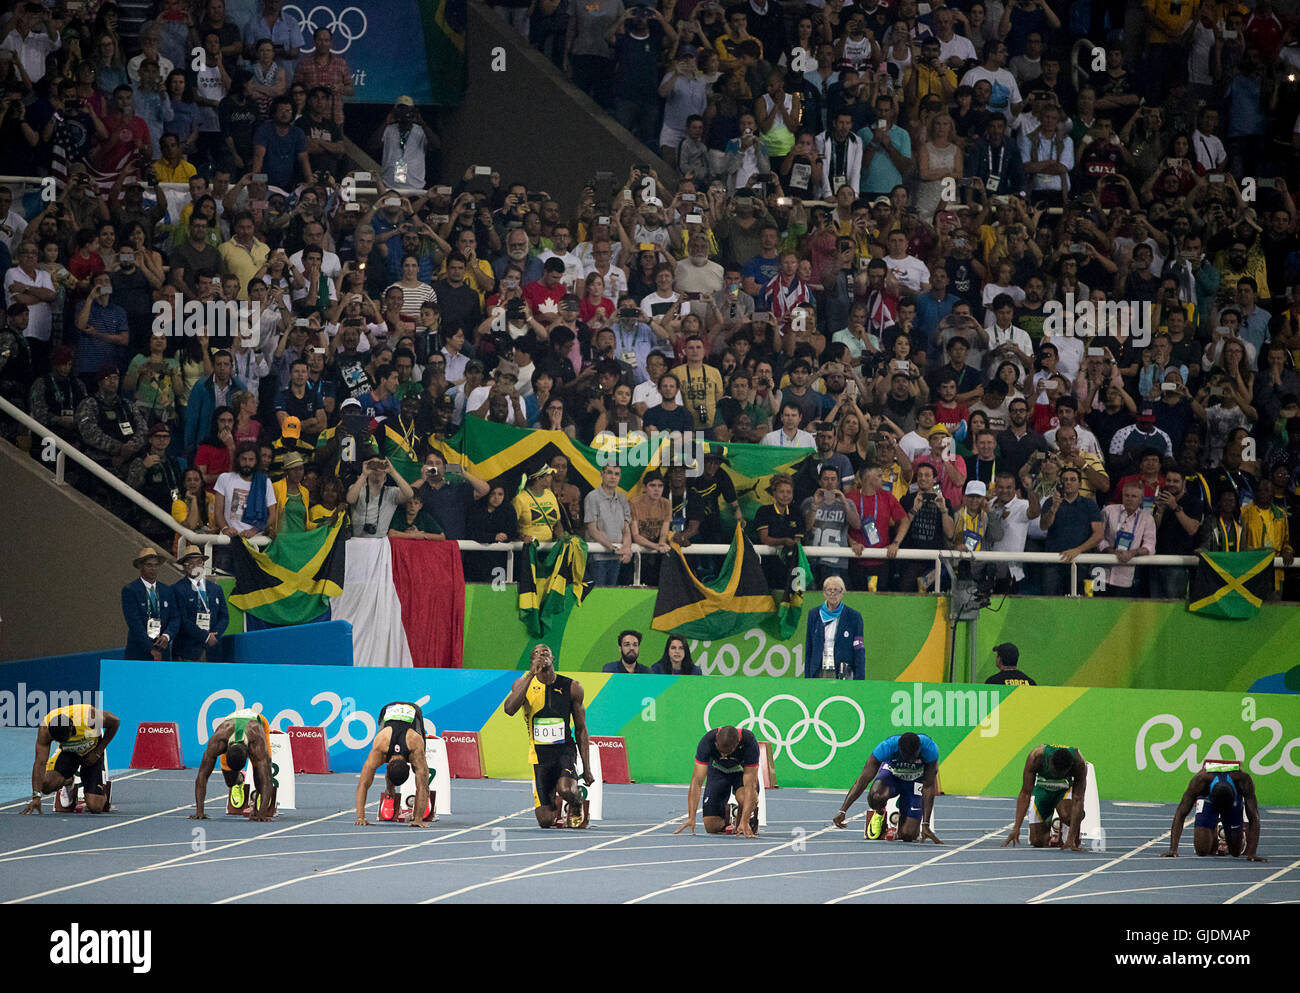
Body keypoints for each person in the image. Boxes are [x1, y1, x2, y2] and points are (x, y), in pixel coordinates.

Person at [502, 645, 595, 829]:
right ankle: (557, 804)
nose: (541, 656)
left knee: (566, 789)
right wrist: (530, 675)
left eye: (545, 653)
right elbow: (509, 709)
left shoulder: (573, 687)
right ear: (531, 662)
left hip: (564, 752)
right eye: (536, 654)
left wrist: (587, 766)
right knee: (545, 821)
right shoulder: (523, 685)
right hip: (539, 756)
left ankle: (575, 802)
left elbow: (581, 730)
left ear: (553, 659)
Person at [832, 731, 942, 843]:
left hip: (915, 782)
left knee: (908, 835)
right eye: (907, 757)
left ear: (919, 749)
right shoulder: (886, 747)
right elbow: (862, 781)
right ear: (899, 749)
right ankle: (879, 812)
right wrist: (843, 810)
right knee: (876, 795)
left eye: (913, 757)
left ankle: (905, 803)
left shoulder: (930, 749)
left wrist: (926, 824)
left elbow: (928, 787)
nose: (910, 761)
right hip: (892, 777)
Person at [21, 705, 120, 816]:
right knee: (46, 785)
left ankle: (99, 787)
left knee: (95, 807)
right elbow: (40, 763)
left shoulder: (90, 717)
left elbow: (115, 722)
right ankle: (69, 782)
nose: (63, 741)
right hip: (69, 752)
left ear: (71, 727)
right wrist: (36, 796)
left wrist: (98, 752)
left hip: (92, 749)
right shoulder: (45, 729)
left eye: (65, 738)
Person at [1162, 759, 1266, 861]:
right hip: (1208, 800)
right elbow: (1180, 813)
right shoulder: (1200, 781)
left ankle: (1236, 835)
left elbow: (1254, 817)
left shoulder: (1243, 780)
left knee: (1235, 852)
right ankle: (1214, 833)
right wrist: (1173, 850)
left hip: (1232, 803)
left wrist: (1252, 853)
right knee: (1202, 851)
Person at [354, 701, 432, 827]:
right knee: (422, 776)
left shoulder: (415, 745)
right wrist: (418, 820)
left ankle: (417, 802)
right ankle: (390, 791)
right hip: (388, 711)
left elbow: (363, 784)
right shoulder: (380, 747)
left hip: (413, 713)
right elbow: (423, 786)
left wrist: (361, 817)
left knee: (421, 772)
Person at [189, 708, 275, 821]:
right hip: (231, 724)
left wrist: (261, 814)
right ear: (225, 751)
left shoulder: (256, 742)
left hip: (257, 722)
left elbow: (267, 779)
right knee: (230, 781)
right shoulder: (218, 742)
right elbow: (202, 776)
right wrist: (199, 812)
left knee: (261, 771)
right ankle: (240, 780)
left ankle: (258, 803)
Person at [675, 724, 760, 837]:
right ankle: (729, 814)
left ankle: (746, 818)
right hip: (718, 772)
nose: (723, 755)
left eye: (727, 753)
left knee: (745, 799)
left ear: (737, 743)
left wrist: (744, 821)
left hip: (741, 774)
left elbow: (750, 786)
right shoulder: (707, 741)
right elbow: (696, 782)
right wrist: (691, 817)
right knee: (711, 827)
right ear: (716, 740)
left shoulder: (749, 742)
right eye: (720, 751)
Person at [1003, 743, 1088, 850]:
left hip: (1064, 790)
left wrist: (1070, 840)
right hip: (1042, 790)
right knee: (1037, 841)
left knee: (1069, 815)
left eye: (1060, 774)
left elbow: (1078, 799)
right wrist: (1016, 828)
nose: (1056, 776)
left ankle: (1065, 830)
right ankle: (1053, 830)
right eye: (1054, 771)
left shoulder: (1079, 763)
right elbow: (1025, 794)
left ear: (1070, 767)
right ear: (1050, 762)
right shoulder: (1036, 757)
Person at [802, 575, 865, 679]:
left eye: (836, 590)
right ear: (824, 593)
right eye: (829, 590)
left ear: (842, 593)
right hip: (819, 670)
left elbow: (859, 650)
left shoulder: (854, 617)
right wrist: (807, 677)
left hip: (843, 671)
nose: (832, 594)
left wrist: (860, 679)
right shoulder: (814, 614)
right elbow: (809, 648)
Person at [122, 546, 179, 660]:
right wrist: (150, 648)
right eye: (149, 565)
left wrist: (166, 636)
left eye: (156, 565)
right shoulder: (131, 590)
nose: (153, 568)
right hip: (139, 650)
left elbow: (175, 617)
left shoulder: (166, 590)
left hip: (163, 648)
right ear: (140, 566)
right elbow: (134, 622)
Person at [172, 548, 228, 662]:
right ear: (184, 566)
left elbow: (224, 616)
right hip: (187, 649)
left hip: (213, 648)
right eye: (190, 563)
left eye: (198, 562)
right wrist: (205, 636)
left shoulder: (216, 589)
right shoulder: (177, 589)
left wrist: (214, 636)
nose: (195, 566)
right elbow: (183, 620)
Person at [585, 462, 633, 586]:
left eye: (616, 474)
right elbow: (592, 530)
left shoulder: (622, 499)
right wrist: (613, 548)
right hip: (598, 558)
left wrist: (627, 548)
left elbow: (626, 529)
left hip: (617, 559)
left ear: (620, 477)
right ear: (602, 474)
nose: (613, 477)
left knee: (611, 598)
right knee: (598, 598)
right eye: (609, 473)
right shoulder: (592, 497)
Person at [347, 455, 414, 538]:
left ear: (385, 478)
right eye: (373, 465)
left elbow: (409, 494)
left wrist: (392, 471)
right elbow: (350, 499)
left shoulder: (391, 493)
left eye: (380, 465)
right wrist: (364, 474)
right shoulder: (358, 489)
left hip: (380, 543)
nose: (376, 468)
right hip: (358, 540)